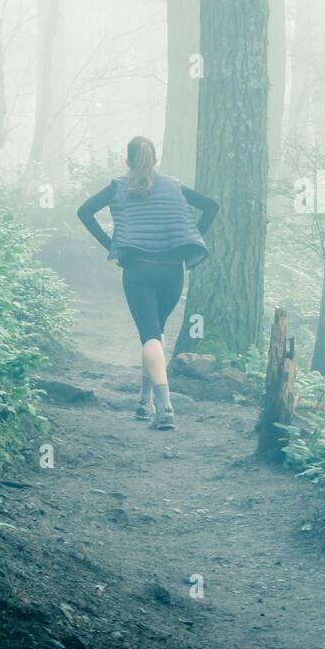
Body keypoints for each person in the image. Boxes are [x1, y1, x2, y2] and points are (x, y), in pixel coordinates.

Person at [77, 137, 218, 431]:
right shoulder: (175, 186)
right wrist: (192, 238)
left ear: (127, 161)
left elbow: (84, 212)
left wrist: (111, 244)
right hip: (172, 271)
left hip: (138, 269)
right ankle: (145, 401)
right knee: (155, 334)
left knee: (150, 335)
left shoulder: (118, 187)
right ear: (155, 160)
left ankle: (165, 408)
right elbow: (211, 206)